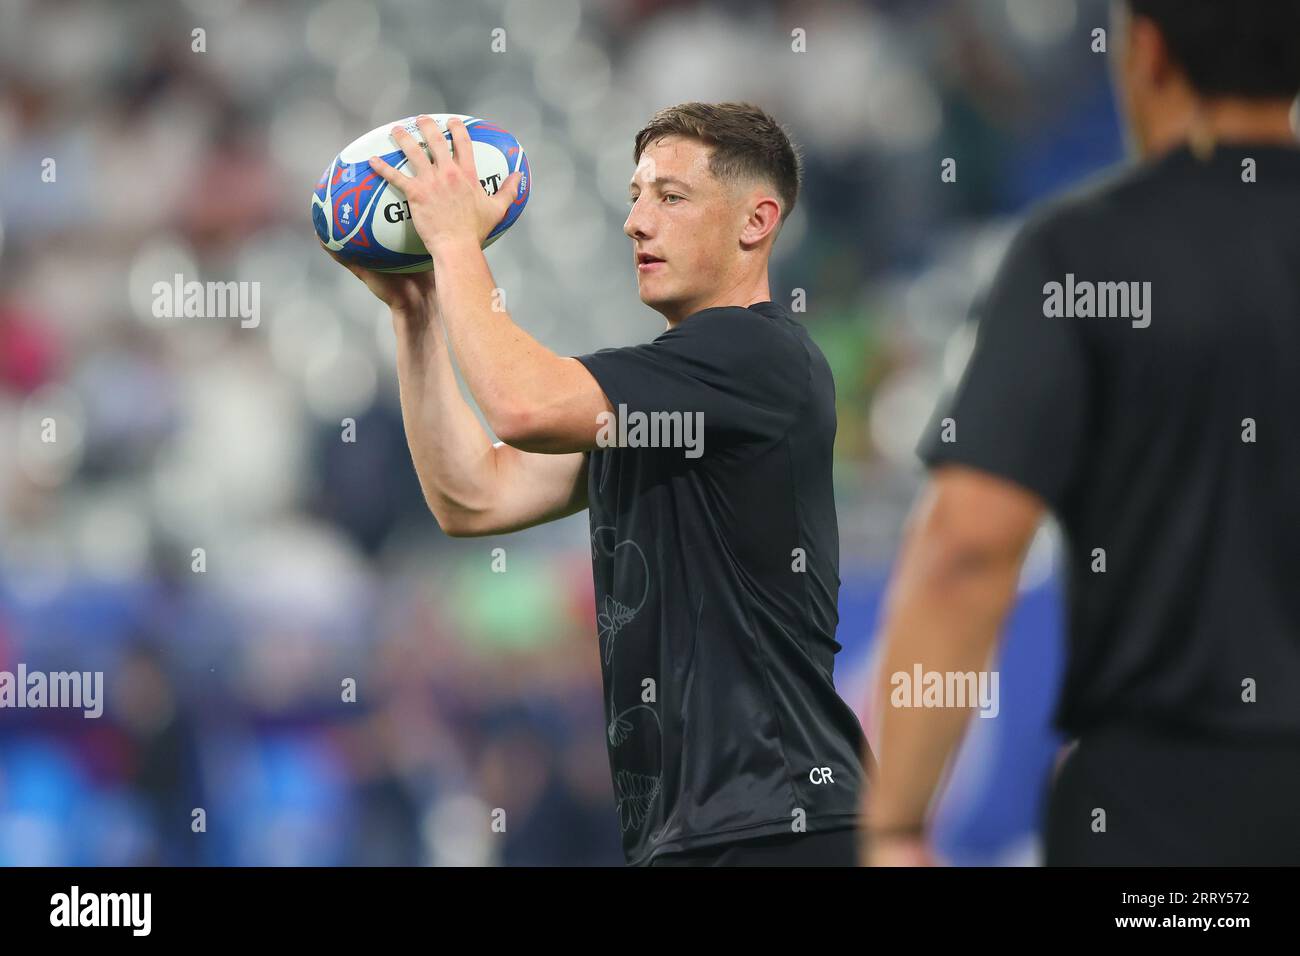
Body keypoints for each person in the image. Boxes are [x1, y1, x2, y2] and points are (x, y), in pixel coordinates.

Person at [326, 102, 867, 867]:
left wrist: (451, 237)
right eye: (634, 197)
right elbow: (472, 497)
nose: (636, 223)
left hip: (780, 823)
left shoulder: (757, 354)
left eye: (670, 197)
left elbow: (521, 405)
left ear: (756, 221)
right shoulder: (664, 398)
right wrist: (416, 312)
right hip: (695, 834)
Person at [862, 0, 1300, 866]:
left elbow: (968, 547)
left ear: (1145, 51)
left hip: (1163, 819)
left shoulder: (1083, 254)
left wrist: (895, 823)